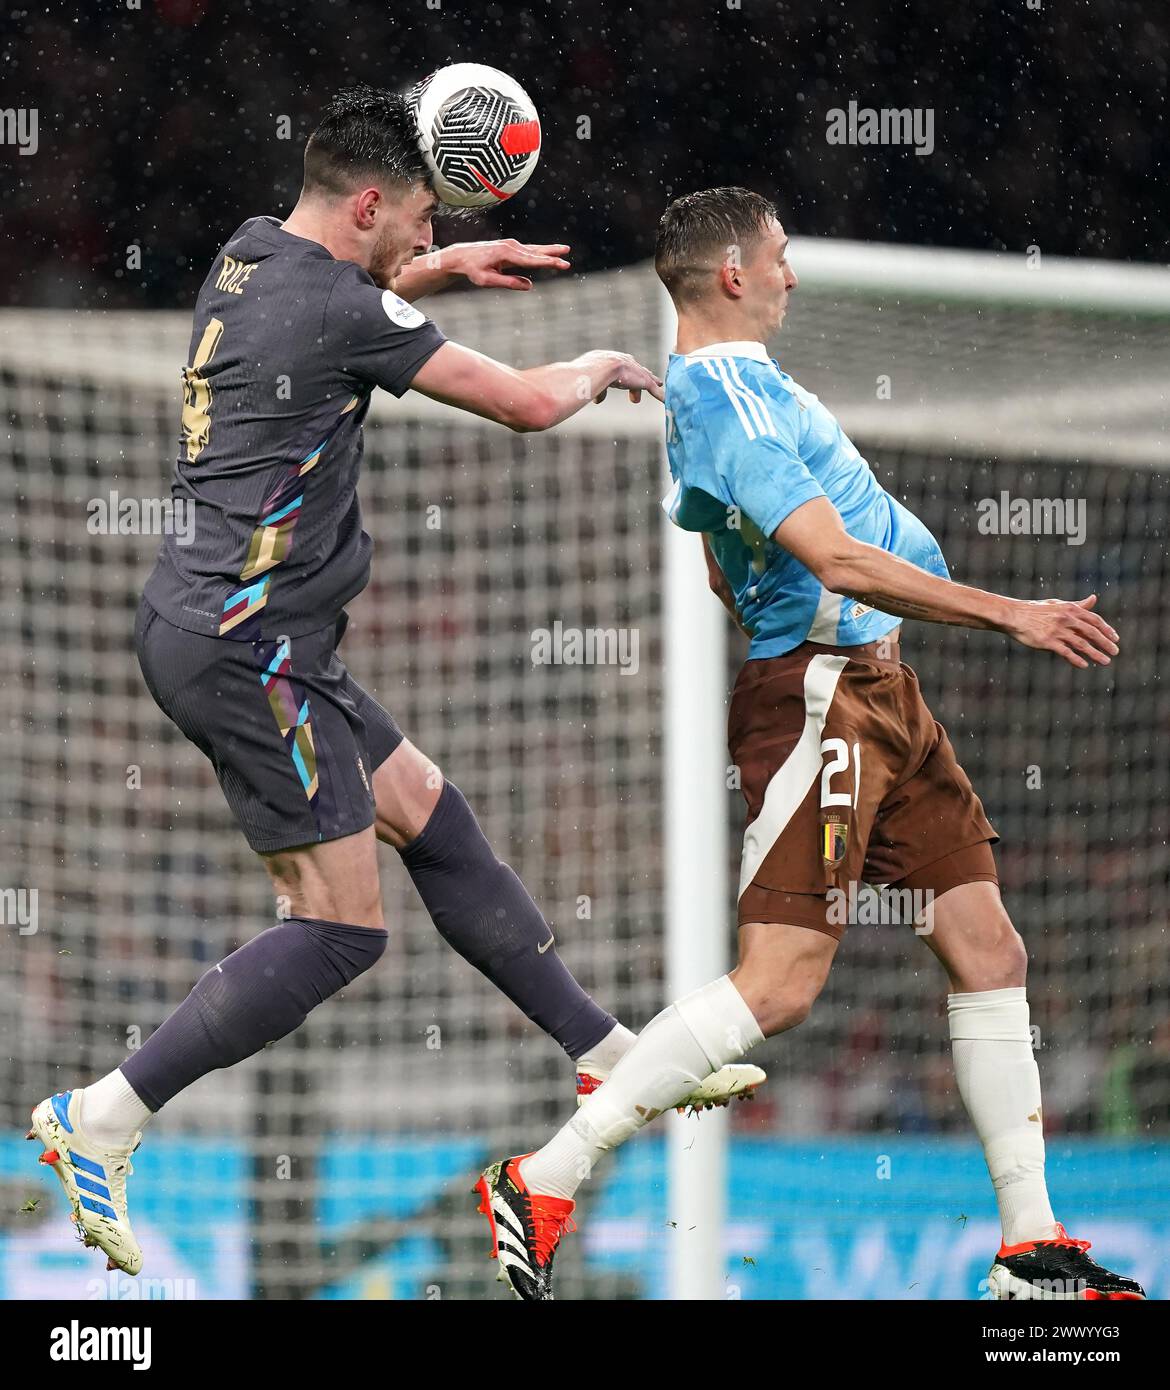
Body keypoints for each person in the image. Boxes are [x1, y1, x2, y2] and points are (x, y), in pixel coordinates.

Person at [26, 95, 760, 1278]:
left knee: (425, 803)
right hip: (248, 646)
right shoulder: (344, 303)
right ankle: (106, 1113)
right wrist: (590, 366)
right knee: (337, 927)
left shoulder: (249, 250)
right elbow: (522, 404)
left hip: (229, 623)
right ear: (369, 206)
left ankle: (601, 1047)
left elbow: (347, 297)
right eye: (417, 222)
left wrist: (434, 264)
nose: (425, 241)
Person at [474, 186, 1144, 1303]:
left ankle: (1030, 1244)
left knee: (991, 950)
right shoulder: (727, 396)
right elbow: (832, 559)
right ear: (731, 273)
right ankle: (544, 1176)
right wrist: (1014, 612)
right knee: (780, 983)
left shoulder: (729, 390)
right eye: (779, 256)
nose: (793, 273)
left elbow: (714, 557)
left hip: (880, 689)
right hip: (827, 696)